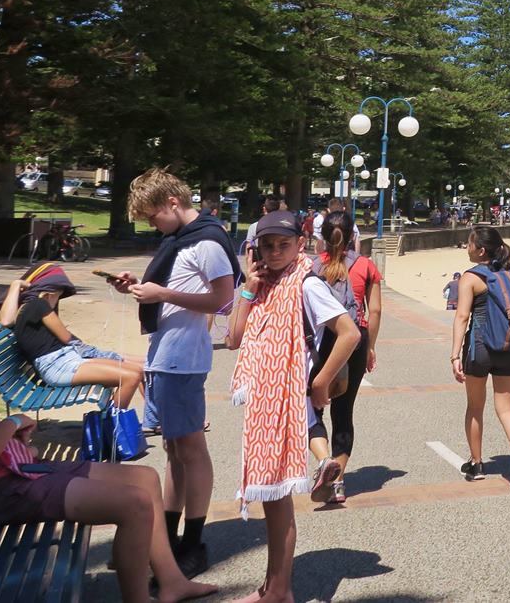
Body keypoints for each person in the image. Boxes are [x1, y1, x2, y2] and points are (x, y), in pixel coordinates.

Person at [0, 318, 217, 603]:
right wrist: (11, 423)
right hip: (2, 492)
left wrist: (15, 440)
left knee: (146, 478)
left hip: (20, 472)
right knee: (134, 504)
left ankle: (171, 582)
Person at [112, 168, 241, 578]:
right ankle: (167, 533)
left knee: (190, 451)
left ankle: (193, 543)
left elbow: (223, 300)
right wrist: (139, 285)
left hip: (181, 360)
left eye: (152, 216)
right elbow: (176, 288)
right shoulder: (181, 240)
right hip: (166, 357)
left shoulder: (205, 240)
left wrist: (161, 293)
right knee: (174, 450)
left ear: (171, 203)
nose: (152, 225)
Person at [227, 209, 360, 603]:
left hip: (287, 397)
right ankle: (273, 586)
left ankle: (279, 589)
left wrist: (319, 382)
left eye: (283, 244)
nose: (274, 252)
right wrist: (248, 288)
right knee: (272, 497)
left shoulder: (305, 283)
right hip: (266, 399)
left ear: (300, 244)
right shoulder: (265, 282)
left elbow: (349, 334)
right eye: (267, 246)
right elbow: (234, 338)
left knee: (276, 497)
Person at [306, 211, 383, 505]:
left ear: (322, 237)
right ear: (354, 236)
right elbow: (373, 311)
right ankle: (337, 482)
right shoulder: (366, 266)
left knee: (312, 410)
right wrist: (371, 347)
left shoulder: (313, 267)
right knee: (344, 411)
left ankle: (324, 459)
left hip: (322, 341)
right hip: (355, 340)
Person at [449, 226, 510, 493]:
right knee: (507, 409)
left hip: (480, 347)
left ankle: (476, 465)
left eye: (469, 244)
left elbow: (462, 317)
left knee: (475, 407)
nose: (467, 247)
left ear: (481, 250)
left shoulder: (470, 278)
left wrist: (454, 355)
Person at [0, 264, 146, 411]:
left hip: (64, 360)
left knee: (138, 370)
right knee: (131, 377)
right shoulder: (39, 305)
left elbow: (7, 319)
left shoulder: (27, 307)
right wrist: (16, 285)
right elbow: (68, 338)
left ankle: (151, 419)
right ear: (50, 293)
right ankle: (113, 427)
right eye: (59, 295)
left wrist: (15, 287)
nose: (58, 300)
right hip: (58, 365)